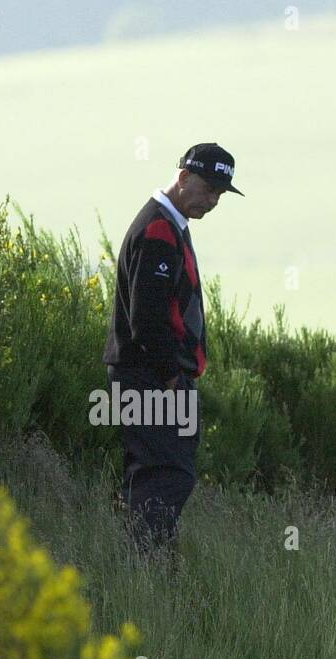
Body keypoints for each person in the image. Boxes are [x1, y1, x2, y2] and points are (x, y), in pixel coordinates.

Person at [102, 142, 243, 557]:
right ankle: (143, 563)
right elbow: (147, 320)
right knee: (168, 475)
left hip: (151, 377)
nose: (214, 200)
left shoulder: (169, 223)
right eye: (208, 188)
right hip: (148, 378)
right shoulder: (159, 228)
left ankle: (150, 562)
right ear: (183, 178)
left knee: (162, 473)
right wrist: (171, 379)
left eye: (221, 193)